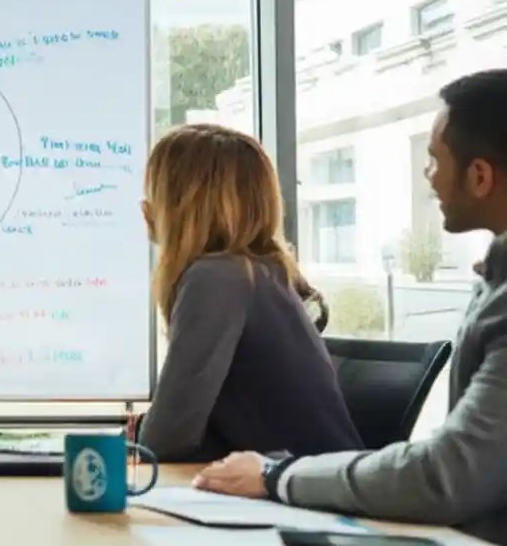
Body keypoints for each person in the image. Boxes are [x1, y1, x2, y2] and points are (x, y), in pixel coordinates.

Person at [193, 70, 507, 544]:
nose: (429, 178)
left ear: (479, 176)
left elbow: (447, 477)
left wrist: (278, 476)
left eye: (433, 160)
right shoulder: (493, 280)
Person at [135, 123, 362, 462]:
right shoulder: (264, 273)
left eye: (155, 193)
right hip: (305, 486)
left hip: (299, 500)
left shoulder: (216, 279)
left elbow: (165, 439)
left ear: (173, 208)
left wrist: (143, 431)